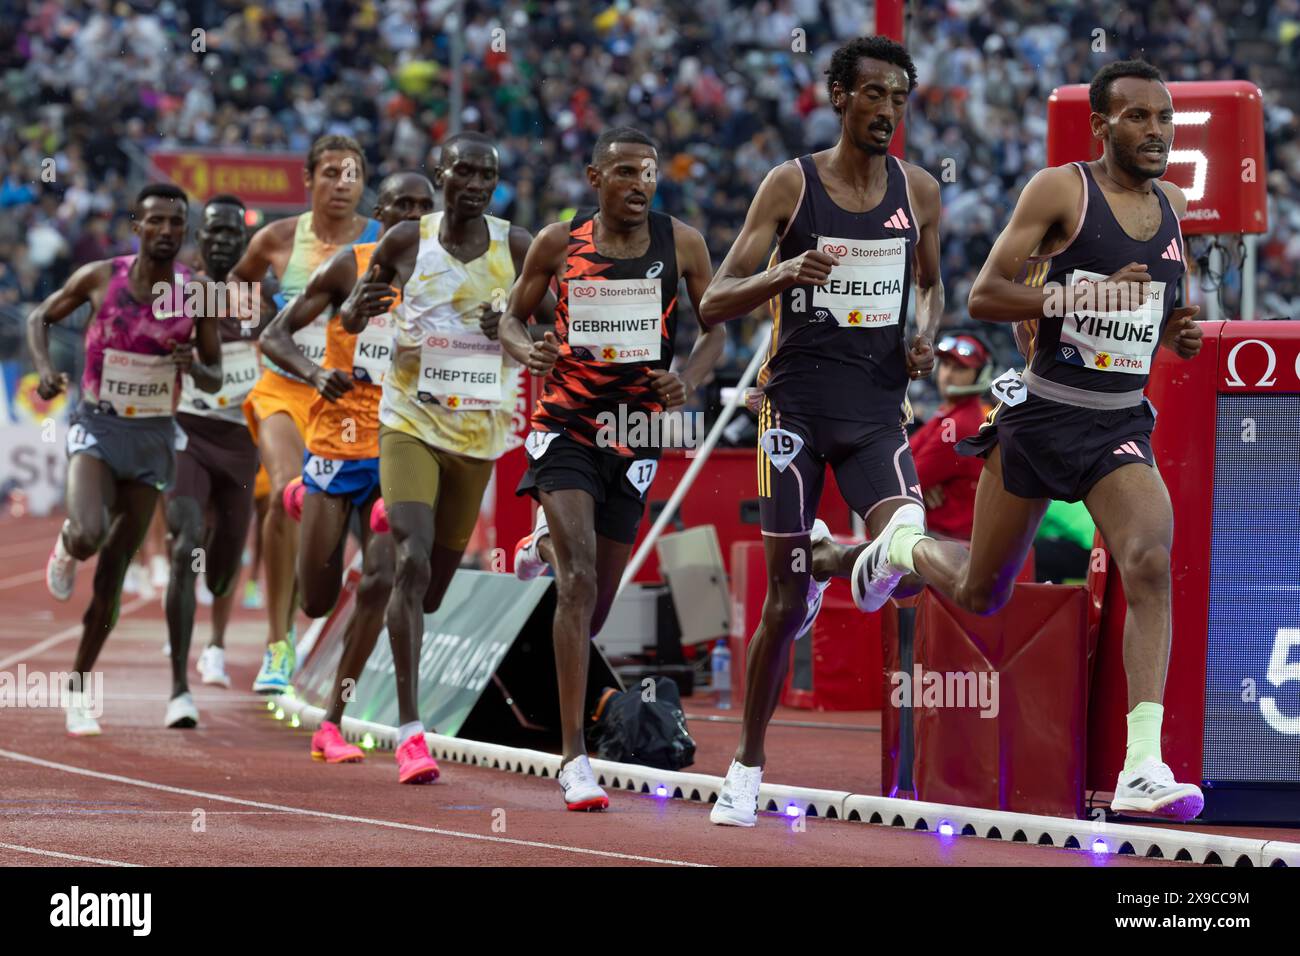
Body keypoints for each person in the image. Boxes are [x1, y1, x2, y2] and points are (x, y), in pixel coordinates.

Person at [853, 60, 1206, 821]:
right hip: (1043, 417)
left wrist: (1181, 331)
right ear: (1103, 127)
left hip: (1117, 422)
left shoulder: (1174, 206)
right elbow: (984, 294)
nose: (1156, 132)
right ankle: (901, 550)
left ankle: (1144, 762)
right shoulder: (1061, 189)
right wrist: (1074, 293)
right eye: (1139, 117)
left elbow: (1170, 316)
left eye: (1165, 118)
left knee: (1148, 561)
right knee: (983, 593)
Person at [696, 36, 943, 826]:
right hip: (793, 412)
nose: (888, 113)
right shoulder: (790, 185)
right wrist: (782, 273)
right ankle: (746, 764)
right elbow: (715, 301)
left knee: (910, 554)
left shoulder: (921, 192)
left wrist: (925, 336)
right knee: (783, 597)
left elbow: (933, 288)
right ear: (839, 96)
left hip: (875, 410)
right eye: (874, 96)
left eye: (900, 100)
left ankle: (842, 559)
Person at [500, 126, 725, 811]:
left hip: (634, 436)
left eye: (648, 173)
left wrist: (687, 376)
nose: (638, 184)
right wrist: (527, 352)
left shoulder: (681, 241)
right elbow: (510, 318)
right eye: (624, 172)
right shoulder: (556, 242)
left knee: (595, 607)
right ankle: (574, 759)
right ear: (595, 178)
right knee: (579, 584)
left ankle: (537, 544)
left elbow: (715, 324)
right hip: (566, 426)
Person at [351, 134, 555, 783]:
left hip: (479, 435)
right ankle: (412, 733)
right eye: (462, 169)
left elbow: (557, 321)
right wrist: (362, 311)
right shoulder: (407, 241)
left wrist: (517, 330)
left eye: (486, 173)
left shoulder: (516, 245)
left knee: (434, 590)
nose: (473, 181)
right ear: (440, 174)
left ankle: (403, 515)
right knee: (410, 561)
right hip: (409, 420)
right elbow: (358, 314)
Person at [260, 171, 438, 781]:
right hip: (336, 446)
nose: (413, 218)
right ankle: (296, 495)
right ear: (379, 214)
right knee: (316, 598)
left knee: (382, 580)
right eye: (401, 208)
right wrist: (314, 379)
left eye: (424, 207)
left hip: (404, 443)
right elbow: (274, 336)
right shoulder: (348, 265)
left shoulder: (450, 275)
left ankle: (333, 722)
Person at [31, 183, 222, 734]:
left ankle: (78, 690)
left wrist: (192, 361)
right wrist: (45, 371)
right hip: (97, 425)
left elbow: (211, 371)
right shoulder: (101, 277)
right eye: (156, 221)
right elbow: (39, 317)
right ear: (137, 225)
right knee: (90, 532)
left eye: (176, 223)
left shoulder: (199, 292)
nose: (167, 231)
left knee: (113, 574)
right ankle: (69, 546)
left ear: (185, 231)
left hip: (155, 436)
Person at [229, 134, 380, 694]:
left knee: (370, 513)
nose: (342, 183)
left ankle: (350, 594)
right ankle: (278, 644)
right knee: (283, 492)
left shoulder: (381, 241)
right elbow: (237, 286)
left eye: (353, 174)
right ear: (308, 179)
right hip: (287, 385)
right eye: (331, 173)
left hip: (352, 397)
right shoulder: (276, 238)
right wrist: (254, 323)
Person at [164, 193, 260, 702]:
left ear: (243, 242)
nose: (223, 241)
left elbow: (287, 343)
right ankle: (180, 684)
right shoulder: (177, 290)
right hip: (188, 429)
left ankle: (215, 641)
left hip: (242, 441)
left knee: (224, 567)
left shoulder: (260, 295)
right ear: (198, 238)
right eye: (214, 232)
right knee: (184, 545)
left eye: (233, 234)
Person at [909, 332, 992, 541]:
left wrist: (919, 485)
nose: (947, 374)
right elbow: (907, 463)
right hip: (942, 537)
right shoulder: (951, 413)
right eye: (945, 365)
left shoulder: (958, 424)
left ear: (981, 374)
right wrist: (922, 488)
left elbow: (905, 481)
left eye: (959, 368)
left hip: (947, 541)